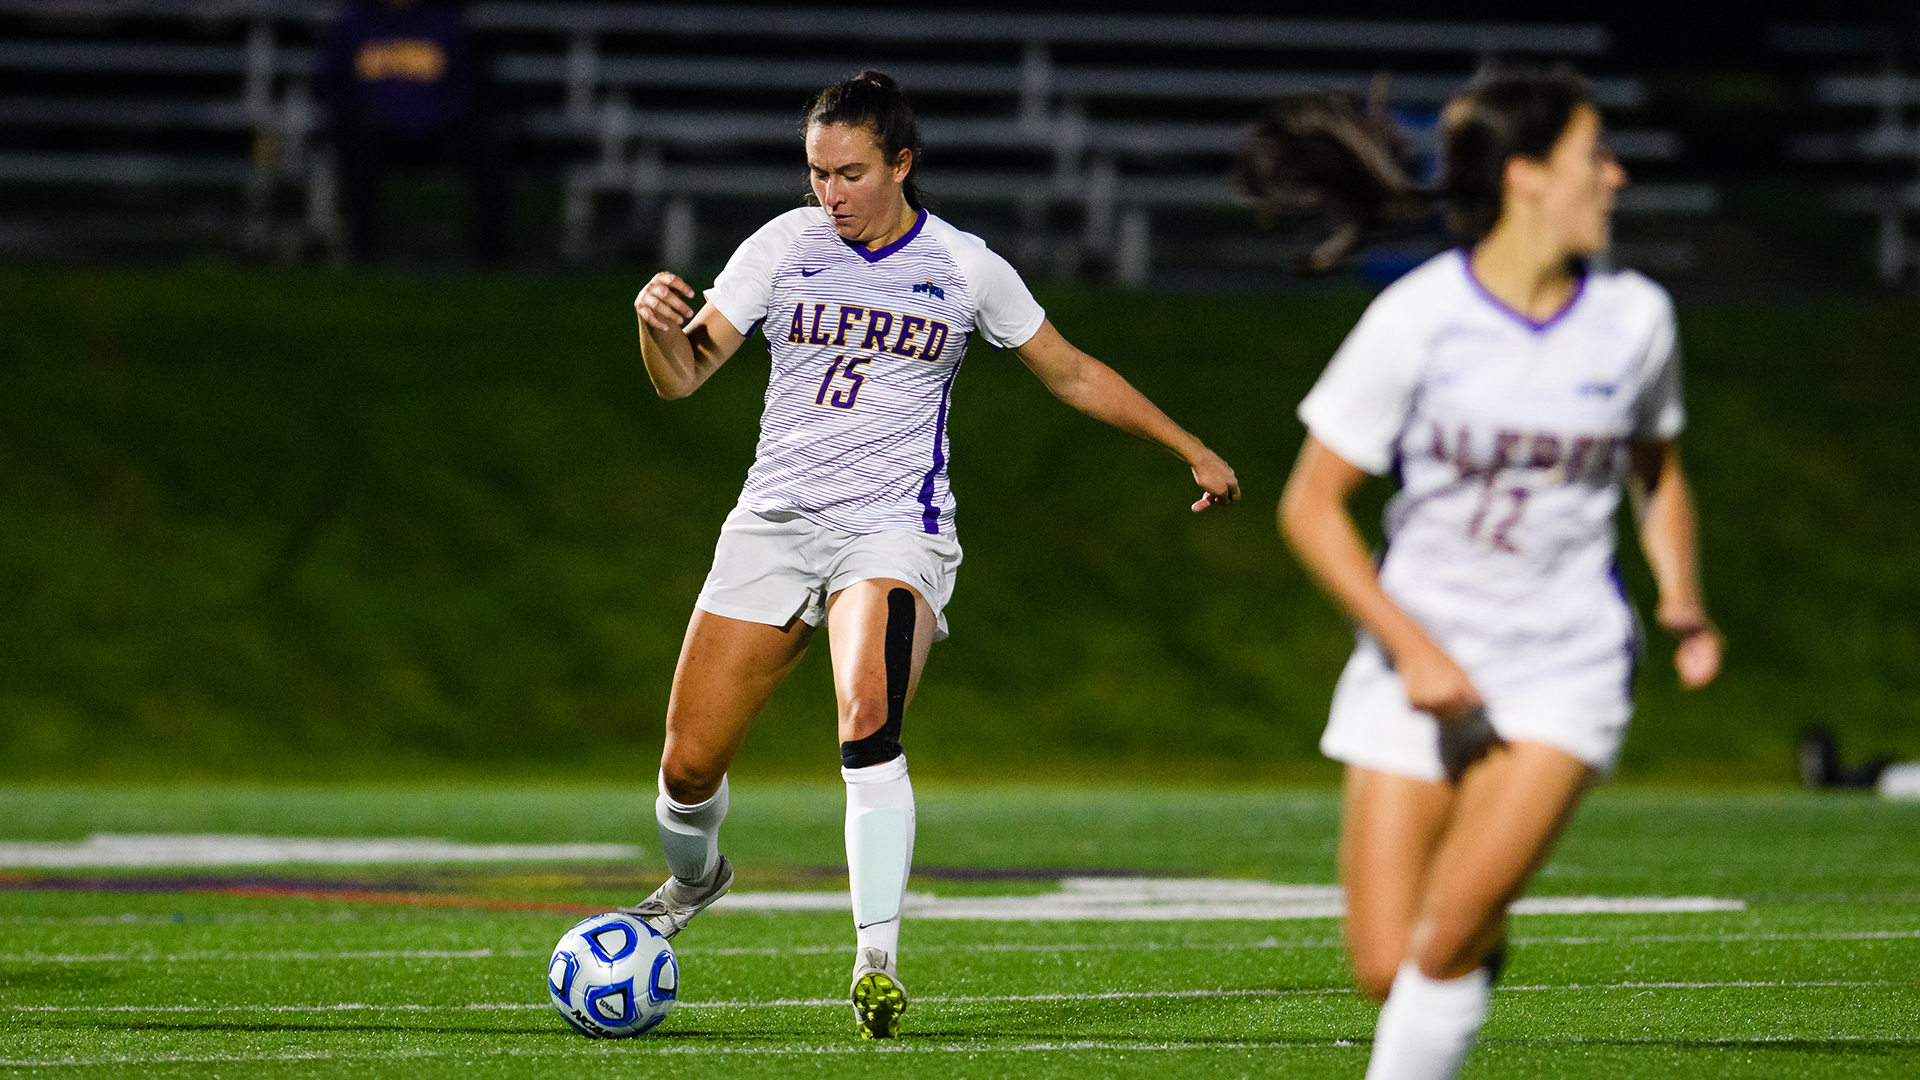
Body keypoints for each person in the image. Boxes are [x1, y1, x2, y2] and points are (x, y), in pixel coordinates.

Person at [625, 70, 1240, 1039]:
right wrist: (654, 332)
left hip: (893, 531)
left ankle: (875, 958)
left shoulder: (963, 267)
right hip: (774, 526)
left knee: (867, 713)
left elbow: (1070, 370)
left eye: (850, 172)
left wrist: (1187, 444)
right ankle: (697, 878)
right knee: (687, 767)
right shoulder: (782, 249)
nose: (829, 193)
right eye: (817, 172)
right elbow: (685, 374)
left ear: (901, 163)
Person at [1245, 69, 1724, 1080]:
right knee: (1388, 966)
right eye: (1594, 155)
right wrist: (1415, 651)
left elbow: (1661, 477)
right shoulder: (1418, 318)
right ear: (1526, 177)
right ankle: (1463, 965)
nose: (1617, 176)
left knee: (1439, 941)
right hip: (1414, 659)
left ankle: (1455, 964)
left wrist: (1681, 598)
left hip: (1565, 664)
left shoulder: (1636, 319)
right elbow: (1310, 506)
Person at [314, 0, 509, 265]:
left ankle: (494, 256)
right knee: (357, 139)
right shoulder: (352, 24)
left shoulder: (443, 23)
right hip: (377, 133)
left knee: (482, 138)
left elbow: (464, 86)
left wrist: (434, 116)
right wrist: (370, 113)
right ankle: (362, 252)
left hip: (435, 130)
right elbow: (332, 87)